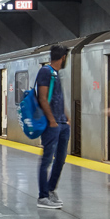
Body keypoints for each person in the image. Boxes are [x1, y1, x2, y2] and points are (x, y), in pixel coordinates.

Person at [35, 45, 70, 209]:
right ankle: (42, 196)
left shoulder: (56, 74)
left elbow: (57, 97)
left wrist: (66, 116)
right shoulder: (45, 72)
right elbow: (43, 98)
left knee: (60, 160)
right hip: (52, 124)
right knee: (47, 160)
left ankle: (50, 189)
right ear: (63, 57)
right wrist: (52, 121)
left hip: (62, 123)